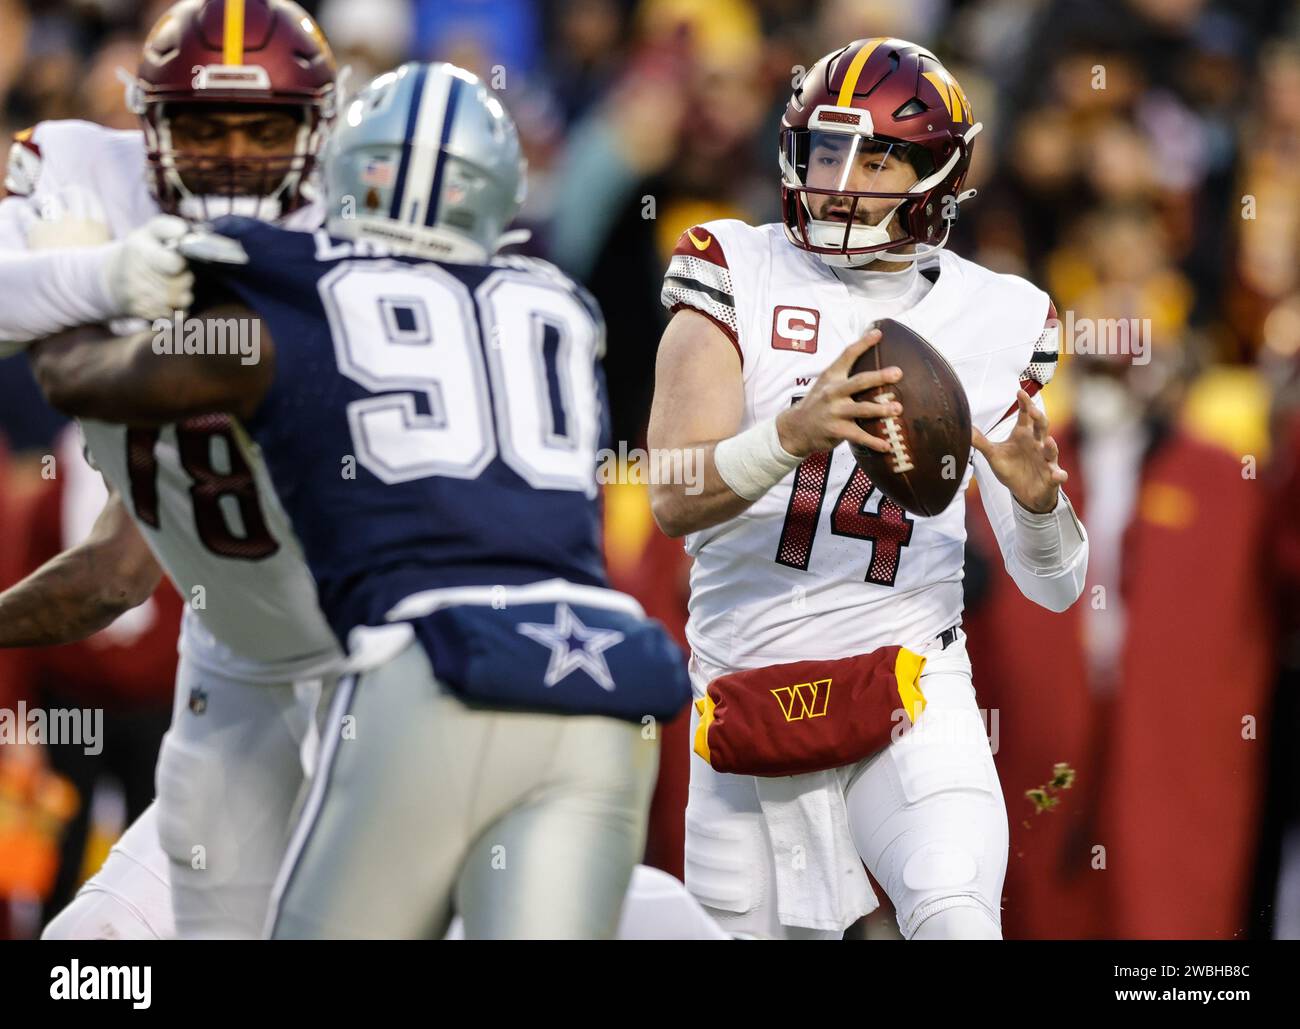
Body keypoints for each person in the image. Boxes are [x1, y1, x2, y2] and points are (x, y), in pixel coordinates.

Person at [29, 61, 692, 939]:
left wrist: (81, 277)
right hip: (602, 678)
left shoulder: (292, 285)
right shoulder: (562, 308)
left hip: (427, 669)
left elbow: (82, 377)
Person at [646, 37, 1089, 939]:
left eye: (876, 159)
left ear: (939, 175)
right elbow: (672, 493)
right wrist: (788, 436)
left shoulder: (996, 316)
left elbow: (1055, 587)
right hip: (748, 699)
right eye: (824, 151)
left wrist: (1038, 505)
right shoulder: (733, 267)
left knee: (957, 915)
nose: (840, 183)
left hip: (911, 684)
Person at [0, 0, 343, 938]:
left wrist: (97, 287)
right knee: (95, 954)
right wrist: (107, 276)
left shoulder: (355, 250)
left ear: (317, 133)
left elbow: (77, 371)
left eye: (265, 129)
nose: (233, 155)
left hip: (392, 686)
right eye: (203, 125)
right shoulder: (90, 176)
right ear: (149, 124)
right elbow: (115, 572)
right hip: (238, 689)